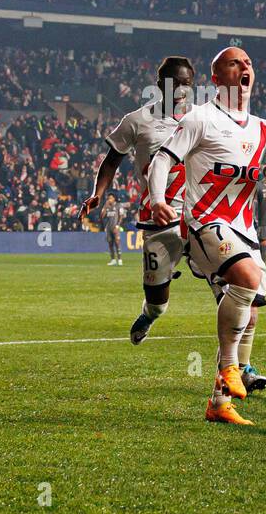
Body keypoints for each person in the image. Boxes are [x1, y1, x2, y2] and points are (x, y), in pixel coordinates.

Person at [148, 46, 266, 426]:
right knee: (248, 280)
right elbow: (163, 159)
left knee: (250, 312)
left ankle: (219, 403)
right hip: (204, 224)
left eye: (250, 62)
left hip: (243, 231)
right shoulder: (200, 119)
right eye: (236, 62)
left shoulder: (262, 128)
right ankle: (231, 367)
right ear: (218, 77)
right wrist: (158, 199)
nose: (246, 66)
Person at [79, 56, 195, 344]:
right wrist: (98, 194)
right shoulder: (136, 121)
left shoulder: (199, 119)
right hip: (158, 220)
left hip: (198, 215)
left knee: (230, 285)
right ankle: (150, 314)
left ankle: (239, 365)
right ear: (160, 85)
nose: (182, 90)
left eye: (188, 84)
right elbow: (110, 161)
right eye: (176, 83)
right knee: (158, 301)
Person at [101, 193, 127, 266]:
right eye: (108, 198)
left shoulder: (118, 206)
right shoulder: (107, 206)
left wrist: (118, 226)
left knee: (117, 243)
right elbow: (102, 216)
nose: (109, 200)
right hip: (109, 227)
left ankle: (119, 259)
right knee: (110, 243)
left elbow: (121, 216)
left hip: (115, 227)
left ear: (114, 199)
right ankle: (113, 260)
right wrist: (105, 207)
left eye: (111, 198)